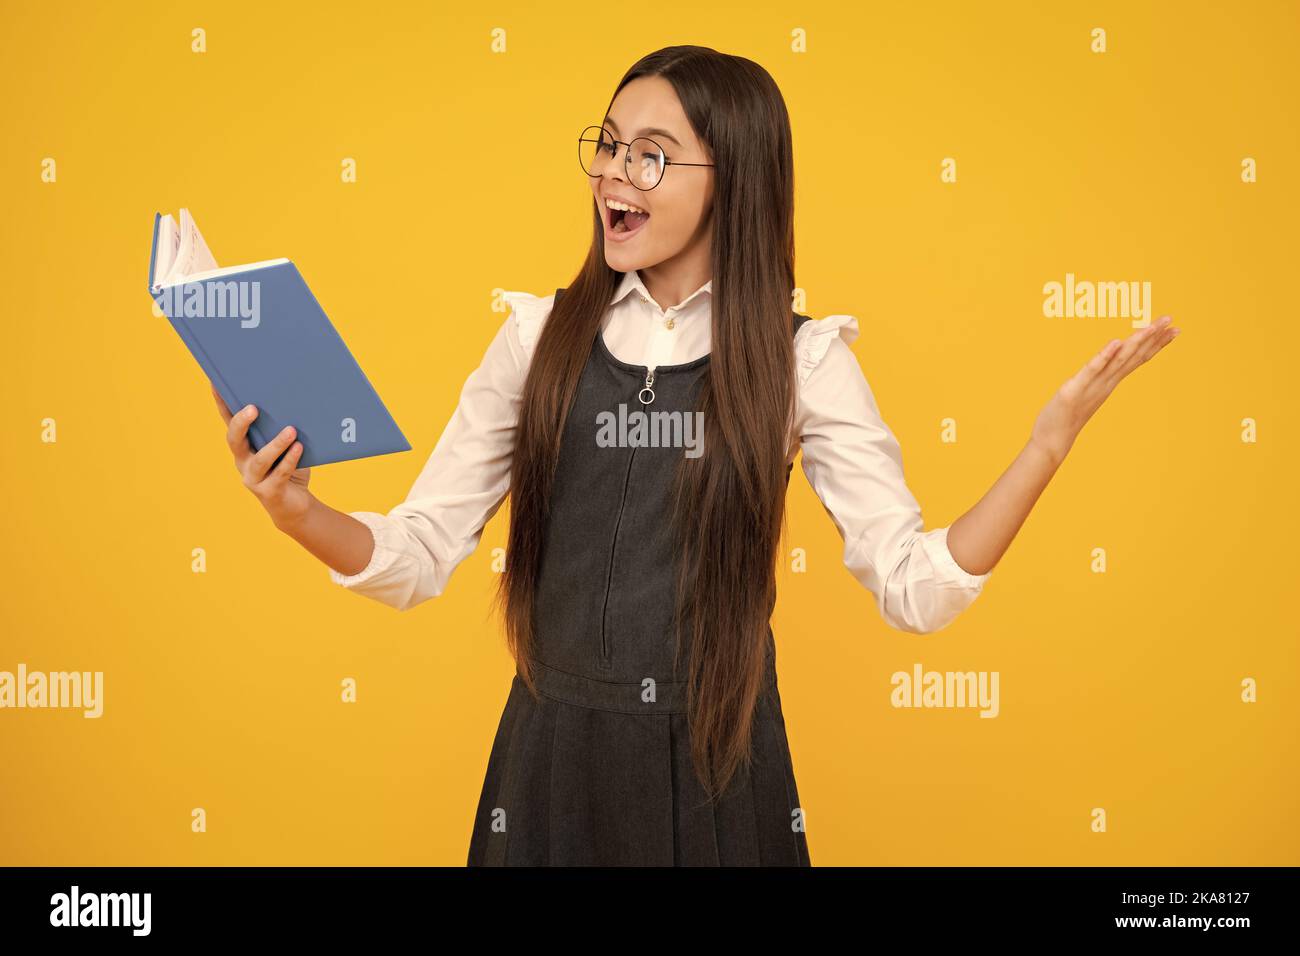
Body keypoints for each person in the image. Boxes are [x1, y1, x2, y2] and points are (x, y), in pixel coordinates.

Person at [210, 46, 1180, 866]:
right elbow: (416, 554)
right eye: (608, 145)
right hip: (549, 767)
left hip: (724, 773)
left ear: (735, 182)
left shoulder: (804, 360)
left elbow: (916, 588)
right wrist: (297, 511)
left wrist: (1045, 444)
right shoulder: (535, 337)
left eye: (652, 156)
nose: (611, 175)